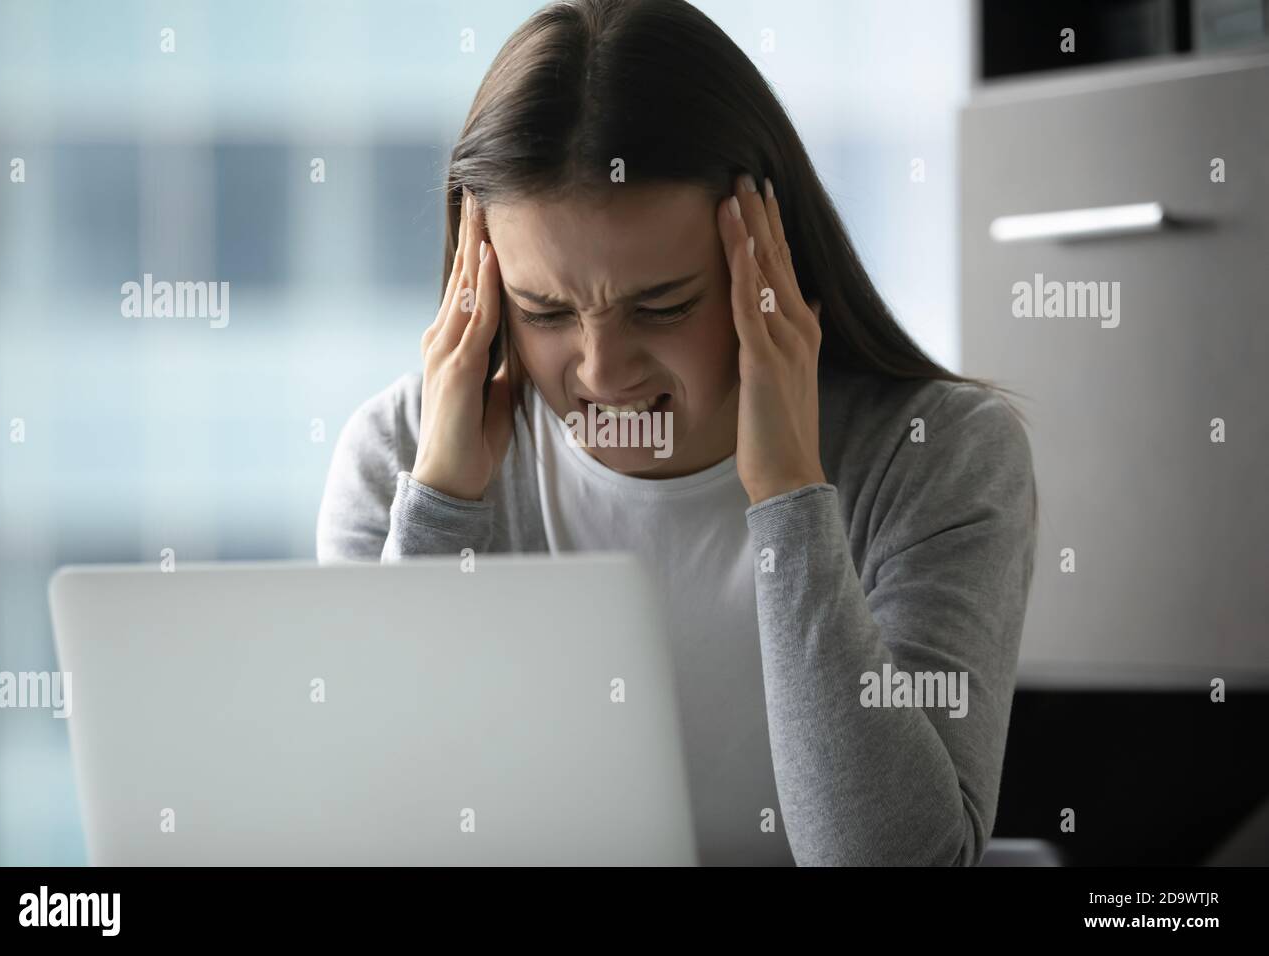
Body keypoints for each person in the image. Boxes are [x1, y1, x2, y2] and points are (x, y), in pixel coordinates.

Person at [316, 0, 1038, 866]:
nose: (604, 371)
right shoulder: (397, 460)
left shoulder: (938, 456)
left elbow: (892, 860)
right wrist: (438, 509)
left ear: (767, 263)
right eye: (545, 310)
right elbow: (375, 844)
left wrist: (790, 497)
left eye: (661, 306)